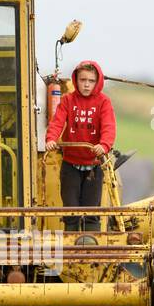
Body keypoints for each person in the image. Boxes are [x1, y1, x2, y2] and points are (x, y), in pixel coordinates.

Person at [44, 60, 115, 231]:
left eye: (91, 81)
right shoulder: (68, 100)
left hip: (93, 166)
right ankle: (70, 253)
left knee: (91, 214)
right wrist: (51, 139)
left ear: (97, 82)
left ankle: (91, 253)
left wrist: (104, 145)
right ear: (76, 80)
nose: (86, 85)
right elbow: (57, 122)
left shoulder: (104, 102)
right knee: (71, 213)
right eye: (83, 80)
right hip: (70, 165)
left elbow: (109, 127)